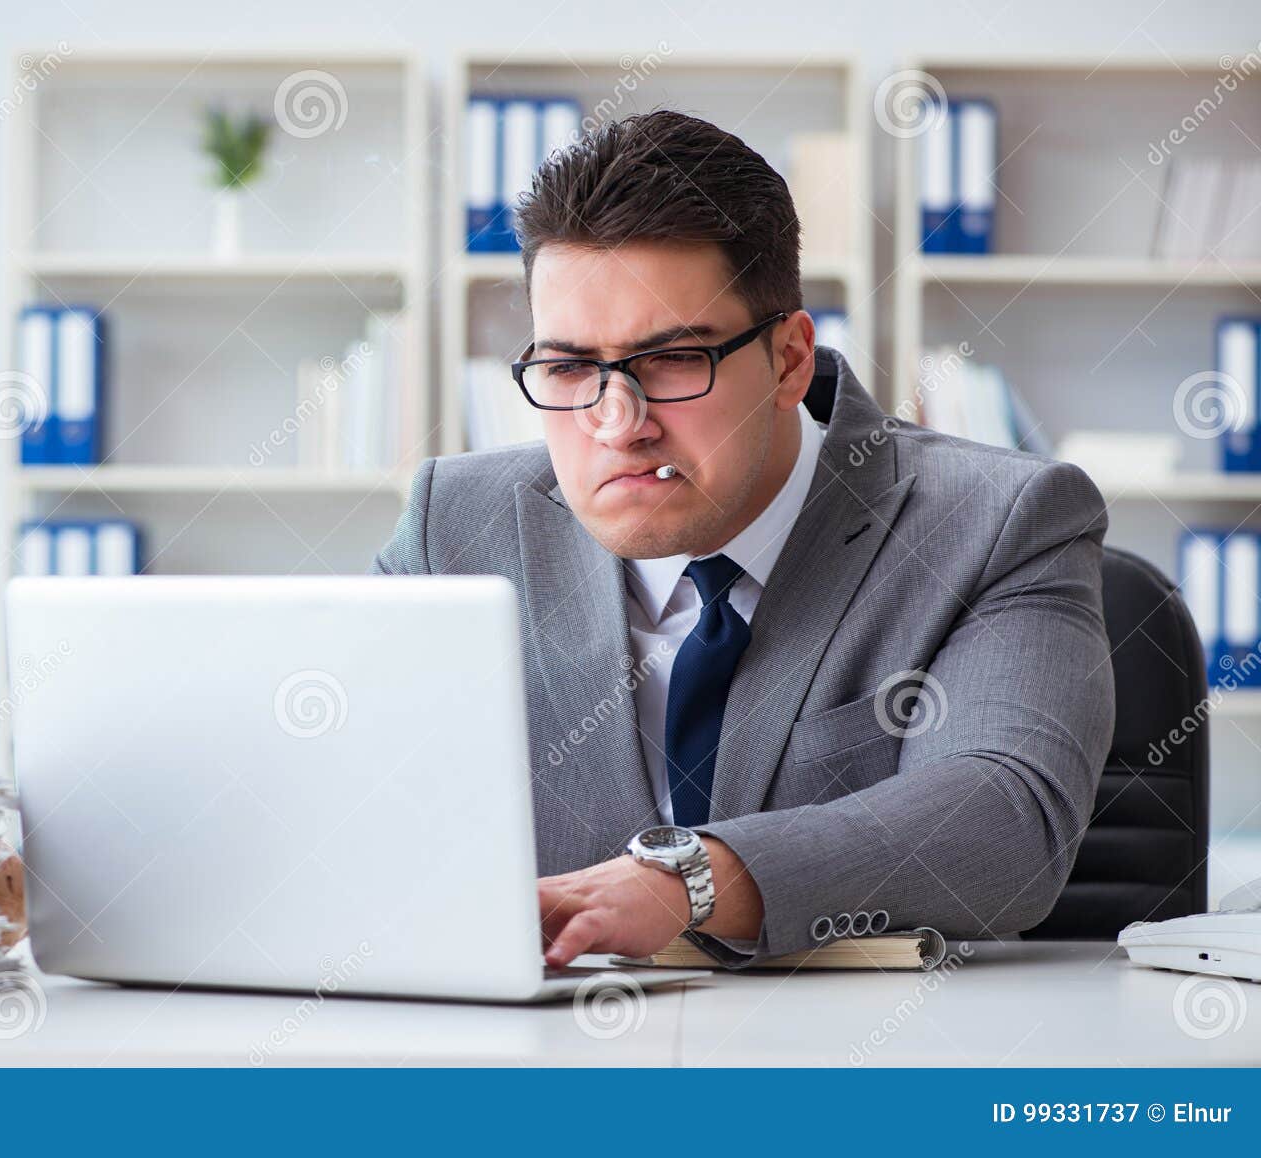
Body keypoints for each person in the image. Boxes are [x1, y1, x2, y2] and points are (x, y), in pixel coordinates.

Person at [372, 109, 1114, 969]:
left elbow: (1005, 819)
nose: (618, 422)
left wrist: (683, 881)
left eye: (673, 359)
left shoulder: (997, 522)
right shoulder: (454, 529)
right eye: (570, 368)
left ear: (789, 360)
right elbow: (336, 794)